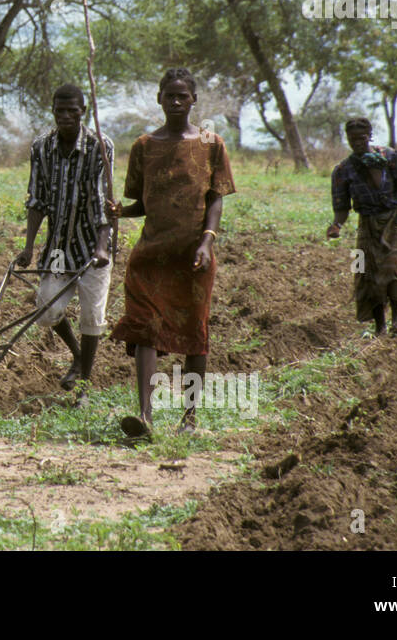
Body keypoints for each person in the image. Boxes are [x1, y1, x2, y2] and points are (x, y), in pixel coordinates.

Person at [111, 67, 235, 441]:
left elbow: (215, 200)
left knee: (194, 333)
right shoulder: (144, 146)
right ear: (159, 99)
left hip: (193, 257)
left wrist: (207, 242)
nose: (177, 101)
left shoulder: (212, 144)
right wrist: (118, 211)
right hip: (150, 256)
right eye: (170, 96)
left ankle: (190, 417)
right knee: (146, 329)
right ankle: (145, 418)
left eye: (183, 96)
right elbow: (143, 205)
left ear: (194, 100)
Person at [16, 84, 114, 394]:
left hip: (92, 246)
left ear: (83, 112)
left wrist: (102, 244)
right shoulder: (41, 147)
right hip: (57, 247)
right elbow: (37, 200)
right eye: (60, 110)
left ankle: (84, 386)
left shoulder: (101, 145)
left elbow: (102, 198)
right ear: (53, 111)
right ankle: (78, 357)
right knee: (47, 309)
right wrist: (29, 247)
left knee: (91, 317)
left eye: (73, 110)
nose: (66, 116)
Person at [327, 117, 397, 336]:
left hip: (394, 219)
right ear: (347, 139)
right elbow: (341, 206)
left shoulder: (390, 156)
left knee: (394, 266)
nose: (357, 143)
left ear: (369, 136)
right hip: (367, 224)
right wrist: (336, 225)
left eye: (361, 138)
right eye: (352, 139)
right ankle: (380, 325)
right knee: (366, 272)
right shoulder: (343, 170)